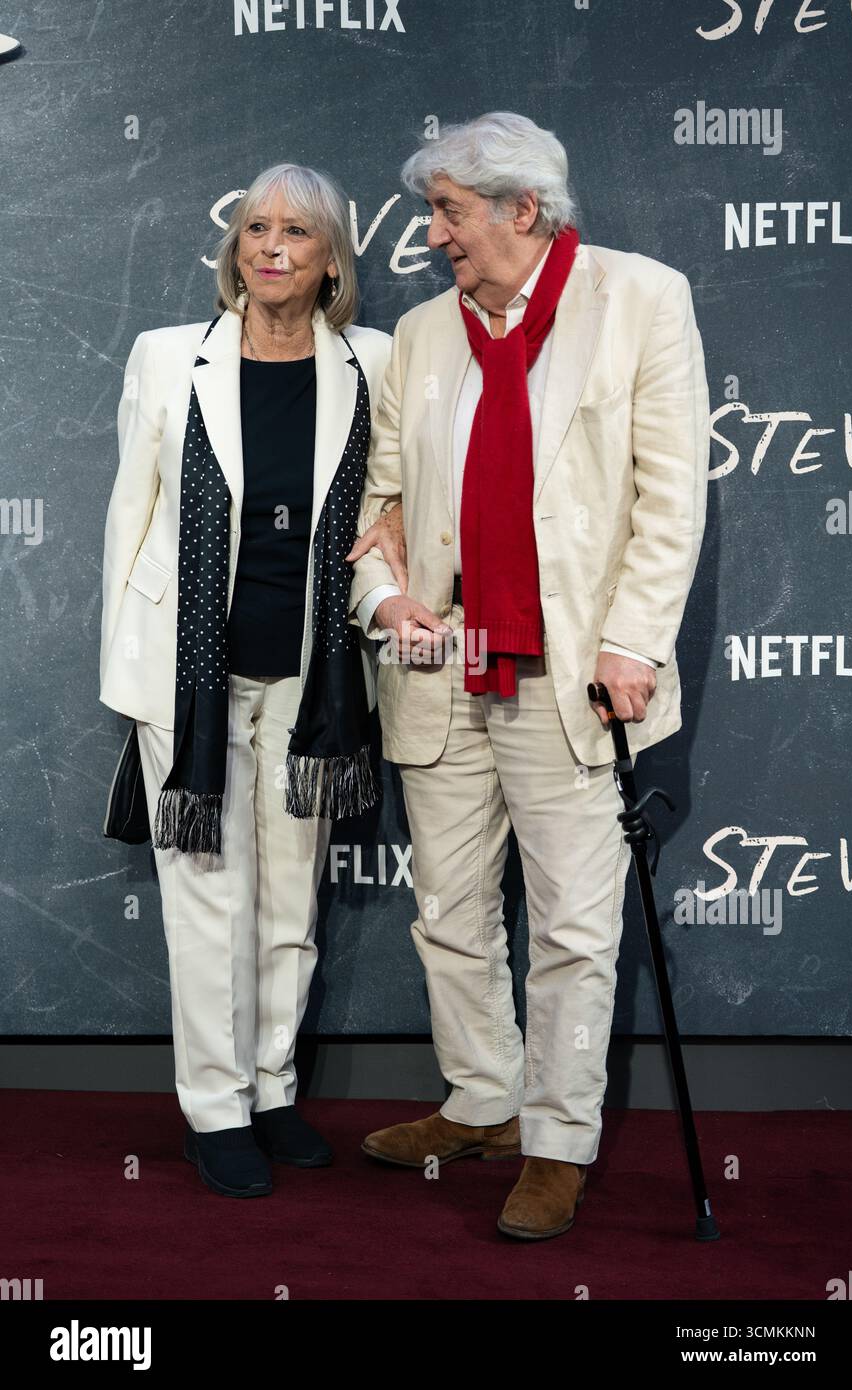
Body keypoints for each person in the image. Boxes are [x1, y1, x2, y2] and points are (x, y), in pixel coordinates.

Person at [346, 112, 710, 1240]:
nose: (432, 235)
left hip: (572, 679)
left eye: (449, 211)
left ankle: (555, 1140)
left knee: (568, 928)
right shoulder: (418, 332)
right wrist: (384, 597)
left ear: (522, 208)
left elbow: (669, 495)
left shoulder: (638, 299)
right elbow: (381, 505)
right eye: (431, 213)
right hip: (441, 665)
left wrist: (633, 643)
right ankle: (482, 1102)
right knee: (449, 912)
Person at [100, 162, 403, 1198]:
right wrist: (132, 681)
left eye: (296, 233)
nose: (269, 246)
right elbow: (127, 520)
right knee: (206, 906)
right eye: (254, 228)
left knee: (288, 906)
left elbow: (382, 522)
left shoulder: (375, 361)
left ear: (329, 262)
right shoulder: (164, 357)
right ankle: (216, 1107)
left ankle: (272, 1088)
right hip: (191, 682)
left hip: (312, 676)